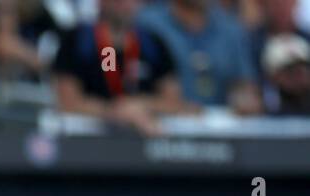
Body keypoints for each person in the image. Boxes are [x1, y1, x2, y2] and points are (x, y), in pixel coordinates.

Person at [52, 0, 186, 134]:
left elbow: (173, 102)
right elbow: (67, 102)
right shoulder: (78, 41)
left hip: (145, 134)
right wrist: (113, 111)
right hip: (90, 136)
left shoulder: (152, 43)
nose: (124, 4)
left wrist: (140, 105)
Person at [138, 0, 262, 111]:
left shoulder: (231, 29)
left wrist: (244, 99)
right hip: (161, 127)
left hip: (220, 129)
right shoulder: (147, 25)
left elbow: (244, 85)